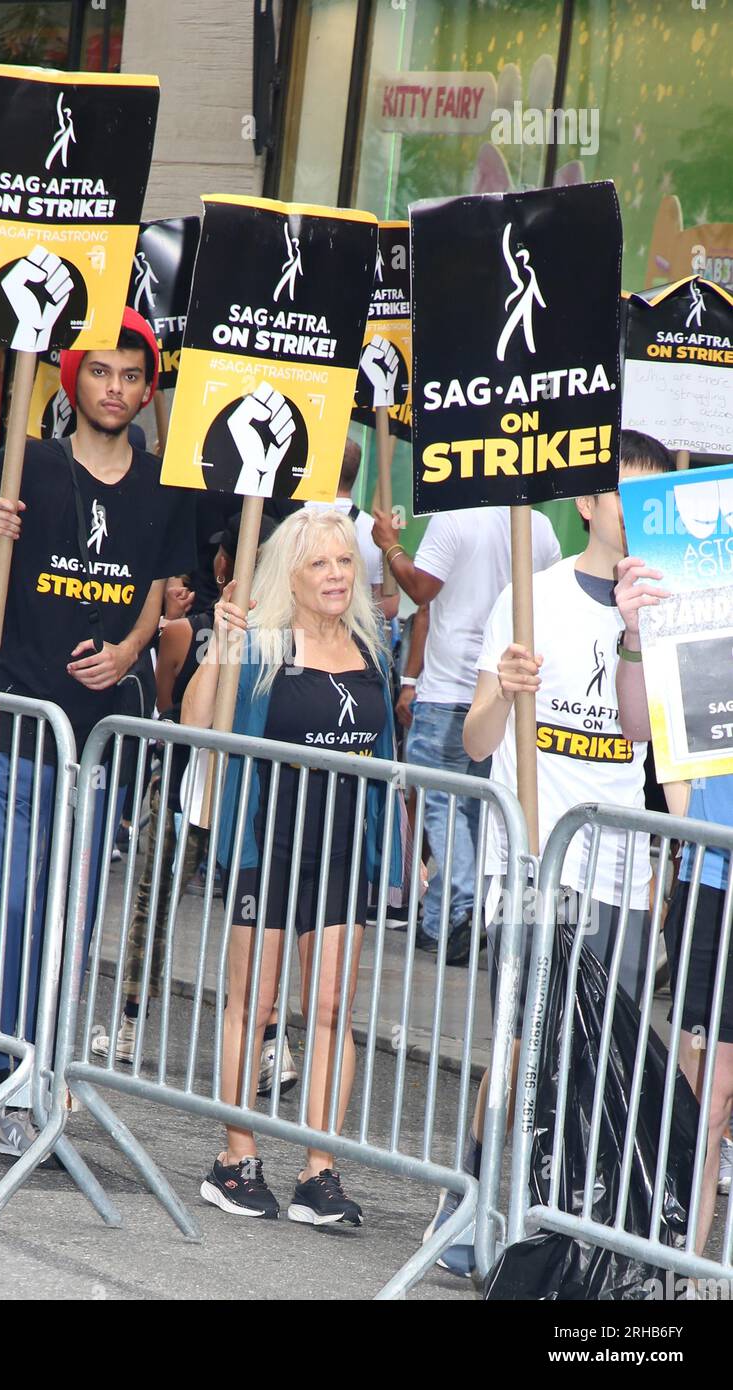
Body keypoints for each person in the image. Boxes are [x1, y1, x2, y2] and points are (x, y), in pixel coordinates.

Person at [429, 429, 670, 1277]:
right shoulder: (530, 599)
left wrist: (639, 634)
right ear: (586, 504)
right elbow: (474, 739)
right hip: (533, 864)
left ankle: (563, 1221)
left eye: (649, 498)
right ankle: (471, 1203)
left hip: (618, 870)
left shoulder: (665, 607)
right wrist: (506, 690)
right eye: (621, 495)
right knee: (522, 1039)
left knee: (600, 1056)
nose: (634, 513)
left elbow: (644, 739)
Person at [0, 306, 196, 1154]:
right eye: (101, 371)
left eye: (132, 376)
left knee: (72, 915)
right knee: (9, 905)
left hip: (101, 737)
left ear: (147, 389)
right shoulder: (26, 463)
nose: (116, 388)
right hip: (17, 717)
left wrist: (129, 652)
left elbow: (157, 596)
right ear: (73, 379)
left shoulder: (165, 481)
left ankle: (42, 1081)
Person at [182, 508, 403, 1224]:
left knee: (333, 1009)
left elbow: (387, 757)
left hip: (342, 851)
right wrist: (221, 647)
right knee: (254, 1003)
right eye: (320, 563)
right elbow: (193, 721)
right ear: (292, 575)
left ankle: (319, 1170)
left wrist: (395, 851)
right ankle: (235, 1160)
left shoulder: (373, 648)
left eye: (345, 561)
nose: (336, 575)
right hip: (267, 845)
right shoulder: (261, 644)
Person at [92, 513, 298, 1096]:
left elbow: (168, 706)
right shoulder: (192, 632)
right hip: (195, 791)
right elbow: (176, 712)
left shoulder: (276, 637)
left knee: (242, 914)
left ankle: (264, 1040)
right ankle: (137, 1023)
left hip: (235, 794)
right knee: (166, 903)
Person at [615, 514, 733, 1257]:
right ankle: (681, 1265)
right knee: (706, 1093)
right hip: (713, 881)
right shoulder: (700, 590)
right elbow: (637, 727)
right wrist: (636, 635)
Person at [372, 501, 561, 962]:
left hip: (457, 690)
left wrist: (390, 545)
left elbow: (421, 591)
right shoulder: (538, 526)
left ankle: (466, 909)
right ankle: (443, 923)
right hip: (500, 695)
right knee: (473, 813)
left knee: (445, 809)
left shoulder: (455, 519)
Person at [304, 438, 398, 622]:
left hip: (303, 631)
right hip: (354, 632)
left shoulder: (294, 522)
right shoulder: (376, 530)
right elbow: (389, 607)